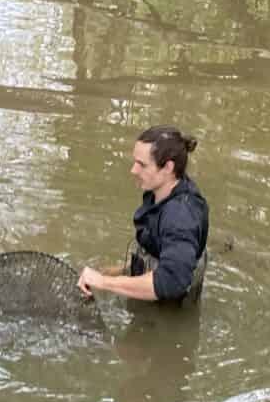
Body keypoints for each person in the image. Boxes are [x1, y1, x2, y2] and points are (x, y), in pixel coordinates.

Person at [78, 126, 209, 304]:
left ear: (168, 167)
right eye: (134, 162)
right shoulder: (160, 189)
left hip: (167, 308)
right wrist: (119, 271)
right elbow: (160, 245)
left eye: (142, 165)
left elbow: (172, 281)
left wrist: (104, 282)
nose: (133, 170)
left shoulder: (180, 216)